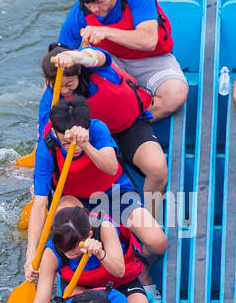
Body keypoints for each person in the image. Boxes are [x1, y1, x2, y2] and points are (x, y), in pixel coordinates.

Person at [25, 97, 167, 282]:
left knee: (158, 243)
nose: (73, 149)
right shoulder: (47, 148)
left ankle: (140, 264)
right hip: (74, 200)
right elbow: (39, 205)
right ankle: (85, 275)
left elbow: (111, 168)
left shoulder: (97, 128)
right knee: (63, 215)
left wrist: (86, 146)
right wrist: (31, 254)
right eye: (67, 144)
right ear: (54, 131)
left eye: (76, 142)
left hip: (115, 194)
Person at [57, 0, 187, 121]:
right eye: (88, 4)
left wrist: (105, 32)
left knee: (175, 96)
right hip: (111, 63)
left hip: (151, 59)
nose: (94, 9)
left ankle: (124, 121)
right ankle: (118, 121)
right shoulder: (79, 13)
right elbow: (58, 57)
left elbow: (149, 41)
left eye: (99, 2)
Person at [39, 45, 167, 196]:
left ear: (79, 72)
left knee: (158, 170)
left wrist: (76, 57)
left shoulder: (97, 69)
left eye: (69, 84)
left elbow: (99, 56)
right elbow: (47, 140)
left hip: (127, 129)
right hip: (89, 140)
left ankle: (150, 216)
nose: (65, 91)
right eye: (58, 86)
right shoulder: (49, 102)